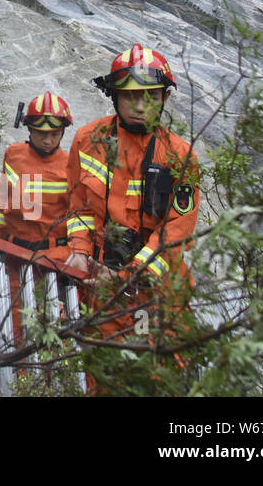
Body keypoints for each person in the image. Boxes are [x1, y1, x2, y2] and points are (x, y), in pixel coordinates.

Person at [64, 44, 199, 388]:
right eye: (131, 96)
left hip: (154, 294)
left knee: (151, 377)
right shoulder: (88, 140)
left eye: (151, 96)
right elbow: (79, 208)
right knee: (96, 374)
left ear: (164, 98)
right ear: (113, 95)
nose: (141, 107)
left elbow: (176, 230)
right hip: (98, 286)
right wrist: (79, 254)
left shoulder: (180, 156)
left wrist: (131, 274)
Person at [0, 92, 74, 345]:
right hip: (14, 255)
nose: (48, 140)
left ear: (62, 132)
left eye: (54, 134)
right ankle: (18, 380)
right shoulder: (12, 155)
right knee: (13, 326)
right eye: (41, 134)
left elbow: (80, 220)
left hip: (53, 263)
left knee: (51, 331)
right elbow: (2, 204)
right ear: (28, 129)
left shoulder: (71, 166)